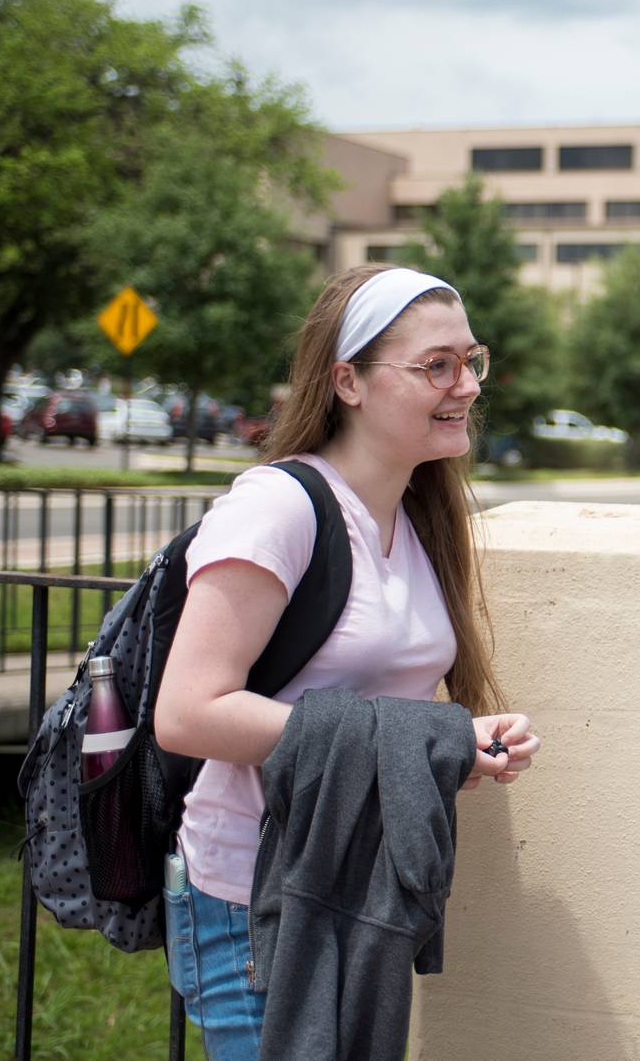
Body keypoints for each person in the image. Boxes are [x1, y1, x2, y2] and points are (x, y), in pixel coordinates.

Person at [153, 264, 541, 1060]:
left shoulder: (419, 516)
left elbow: (359, 699)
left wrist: (454, 743)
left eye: (472, 361)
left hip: (352, 888)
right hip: (253, 898)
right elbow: (186, 713)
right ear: (349, 382)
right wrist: (413, 740)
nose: (465, 385)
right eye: (436, 365)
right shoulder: (278, 508)